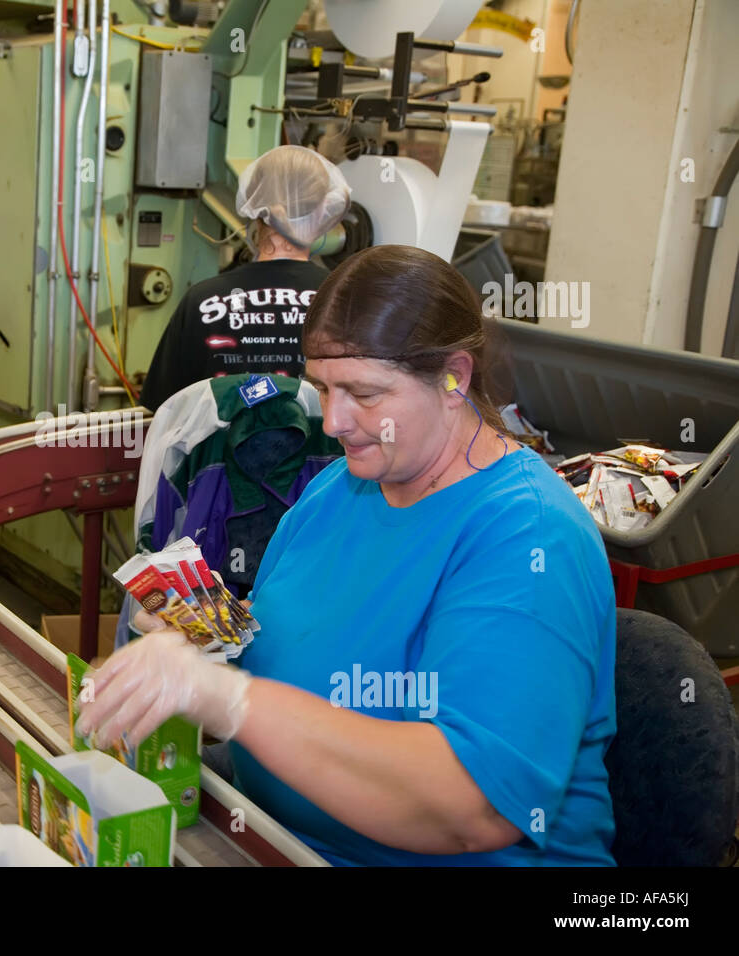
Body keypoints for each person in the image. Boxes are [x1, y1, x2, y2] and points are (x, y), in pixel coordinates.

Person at [77, 245, 618, 866]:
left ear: (454, 378)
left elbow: (471, 808)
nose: (332, 421)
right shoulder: (344, 487)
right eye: (322, 388)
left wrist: (227, 699)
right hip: (275, 839)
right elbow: (283, 626)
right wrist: (199, 633)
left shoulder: (529, 535)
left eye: (363, 393)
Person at [138, 145, 351, 410]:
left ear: (254, 208)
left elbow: (162, 411)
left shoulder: (201, 300)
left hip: (219, 452)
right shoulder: (345, 301)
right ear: (322, 211)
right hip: (327, 452)